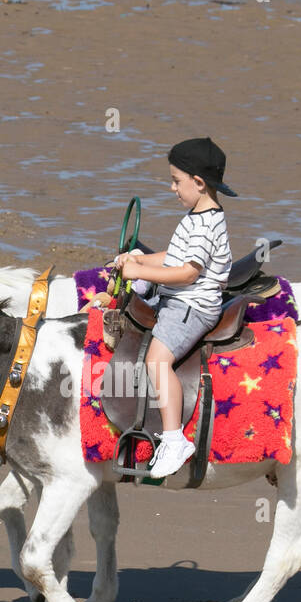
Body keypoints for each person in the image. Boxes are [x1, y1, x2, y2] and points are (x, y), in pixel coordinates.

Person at [113, 136, 236, 478]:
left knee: (157, 360)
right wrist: (137, 258)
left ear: (198, 183)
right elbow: (172, 256)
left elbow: (186, 272)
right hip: (180, 298)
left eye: (177, 181)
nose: (172, 188)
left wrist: (139, 271)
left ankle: (173, 437)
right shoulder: (195, 216)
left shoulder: (206, 224)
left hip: (191, 306)